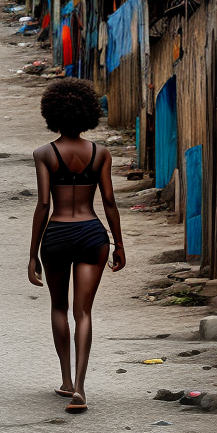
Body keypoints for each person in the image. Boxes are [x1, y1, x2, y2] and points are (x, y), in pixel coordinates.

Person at [28, 78, 125, 413]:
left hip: (56, 236)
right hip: (92, 235)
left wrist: (31, 255)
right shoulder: (100, 154)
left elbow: (43, 205)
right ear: (87, 113)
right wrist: (119, 245)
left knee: (59, 308)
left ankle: (67, 379)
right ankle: (81, 390)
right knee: (83, 311)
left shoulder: (44, 154)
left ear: (52, 113)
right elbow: (109, 202)